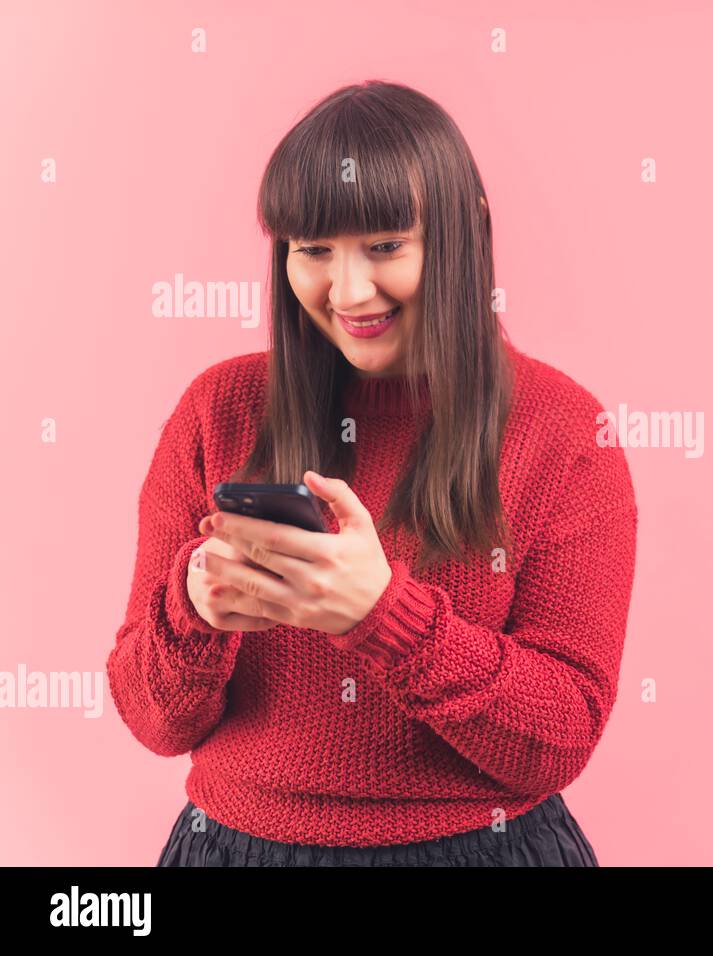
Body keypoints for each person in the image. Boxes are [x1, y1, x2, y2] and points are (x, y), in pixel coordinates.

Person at [106, 80, 638, 867]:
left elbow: (559, 740)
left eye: (386, 246)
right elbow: (153, 724)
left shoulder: (564, 433)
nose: (347, 292)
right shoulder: (219, 411)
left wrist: (383, 615)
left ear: (466, 234)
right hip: (235, 849)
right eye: (313, 251)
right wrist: (195, 611)